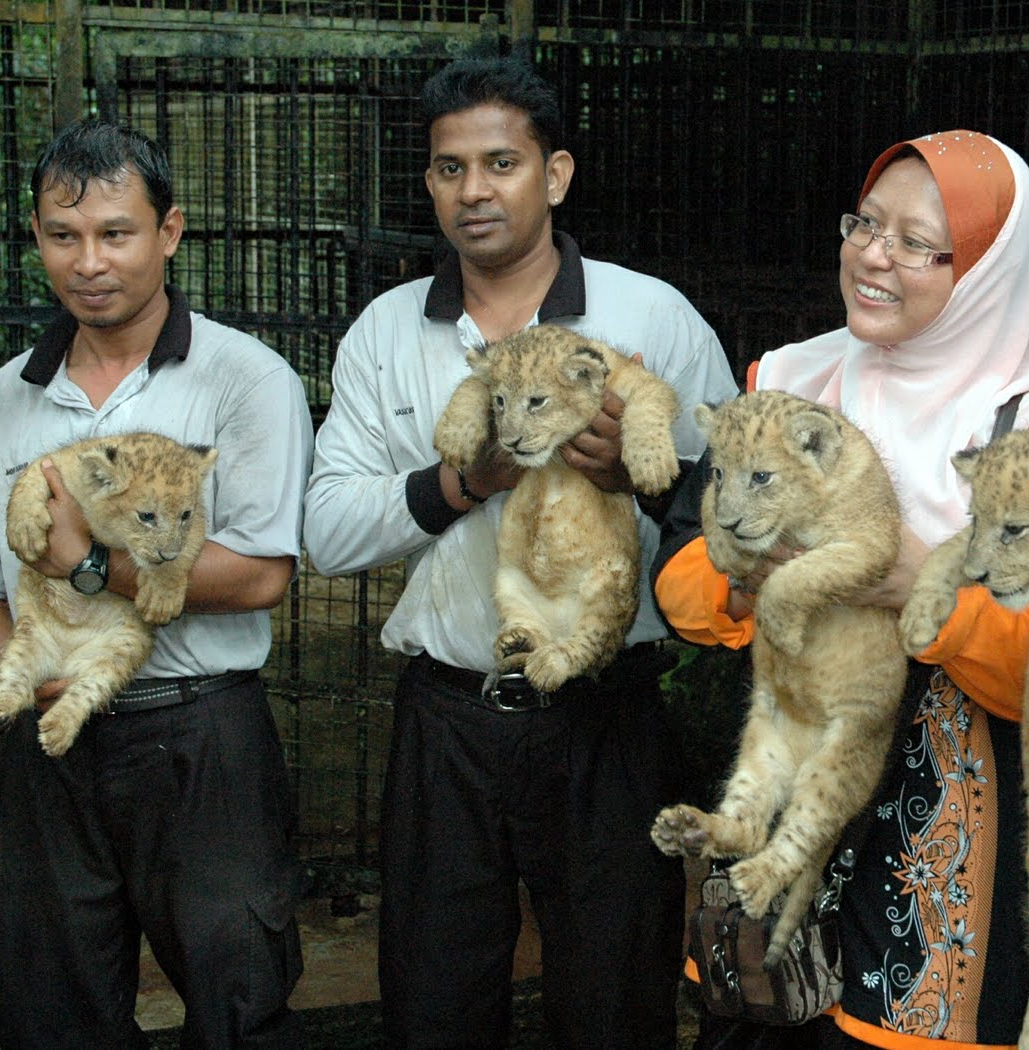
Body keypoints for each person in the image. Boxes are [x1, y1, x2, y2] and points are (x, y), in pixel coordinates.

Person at [301, 57, 737, 1048]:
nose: (475, 190)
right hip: (449, 719)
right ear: (429, 184)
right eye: (450, 168)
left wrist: (639, 479)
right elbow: (327, 532)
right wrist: (466, 481)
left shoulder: (649, 317)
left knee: (615, 1006)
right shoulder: (386, 334)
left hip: (607, 715)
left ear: (556, 174)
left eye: (502, 163)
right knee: (435, 1003)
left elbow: (735, 520)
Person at [653, 129, 1029, 1049]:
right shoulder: (786, 385)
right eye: (865, 225)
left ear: (987, 273)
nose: (875, 256)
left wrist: (916, 587)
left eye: (919, 244)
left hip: (939, 839)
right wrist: (751, 581)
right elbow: (682, 584)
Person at [0, 119, 313, 1048]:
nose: (89, 262)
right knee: (53, 1012)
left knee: (237, 999)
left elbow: (260, 573)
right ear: (36, 237)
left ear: (168, 232)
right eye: (64, 236)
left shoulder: (243, 380)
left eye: (115, 233)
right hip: (53, 744)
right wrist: (30, 672)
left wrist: (90, 564)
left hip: (199, 732)